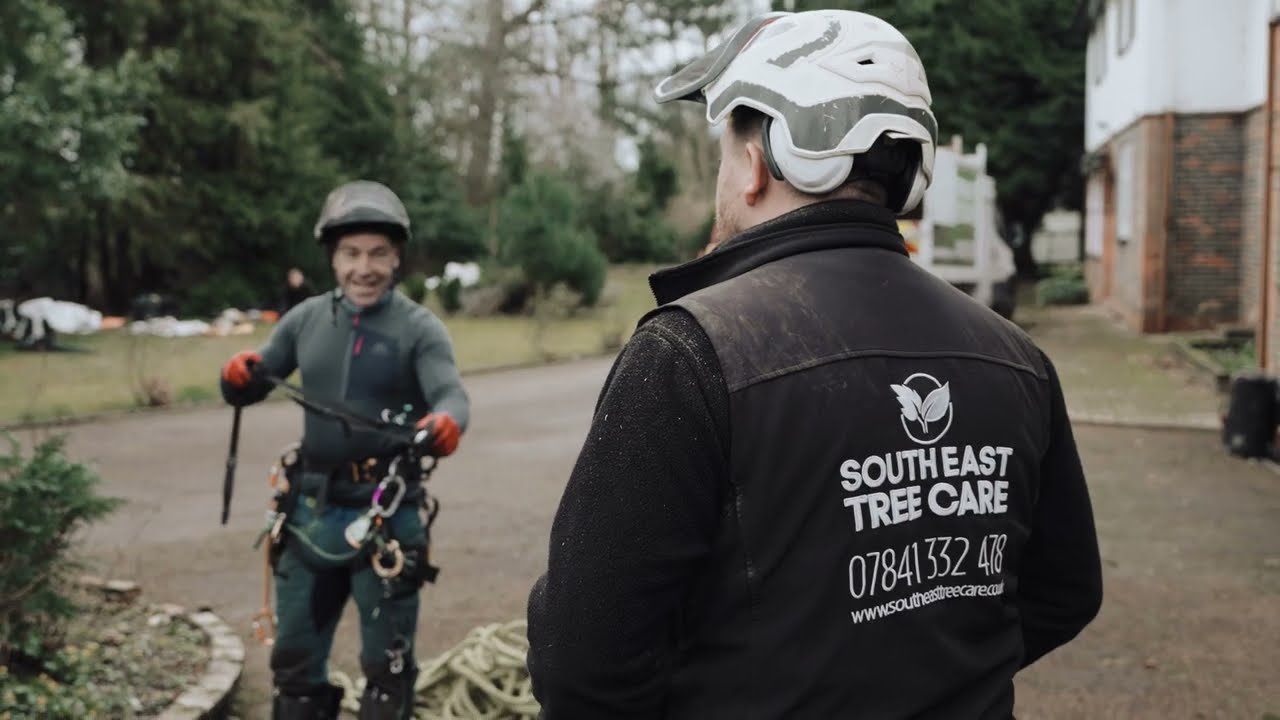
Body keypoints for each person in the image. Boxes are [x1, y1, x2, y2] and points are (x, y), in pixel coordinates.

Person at [525, 9, 1102, 719]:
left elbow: (582, 665)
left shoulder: (688, 353)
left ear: (760, 162)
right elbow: (1064, 593)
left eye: (725, 151)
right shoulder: (1016, 357)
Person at [219, 179, 470, 720]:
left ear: (397, 257)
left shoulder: (420, 329)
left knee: (387, 668)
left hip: (388, 514)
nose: (364, 268)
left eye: (378, 254)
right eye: (351, 254)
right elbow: (256, 379)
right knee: (293, 662)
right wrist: (236, 375)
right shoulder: (305, 320)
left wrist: (448, 421)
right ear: (333, 259)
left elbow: (450, 393)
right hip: (311, 512)